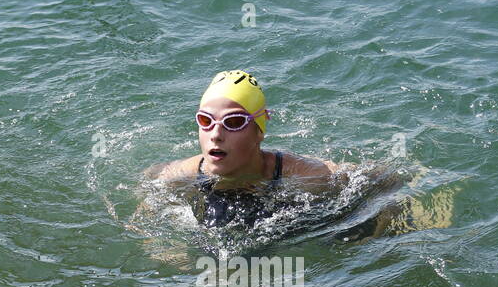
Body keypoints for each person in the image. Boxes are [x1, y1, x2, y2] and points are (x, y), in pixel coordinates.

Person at [143, 70, 347, 228]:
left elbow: (371, 177)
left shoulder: (308, 176)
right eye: (206, 120)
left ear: (259, 131)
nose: (215, 134)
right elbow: (147, 192)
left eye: (233, 122)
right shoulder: (177, 177)